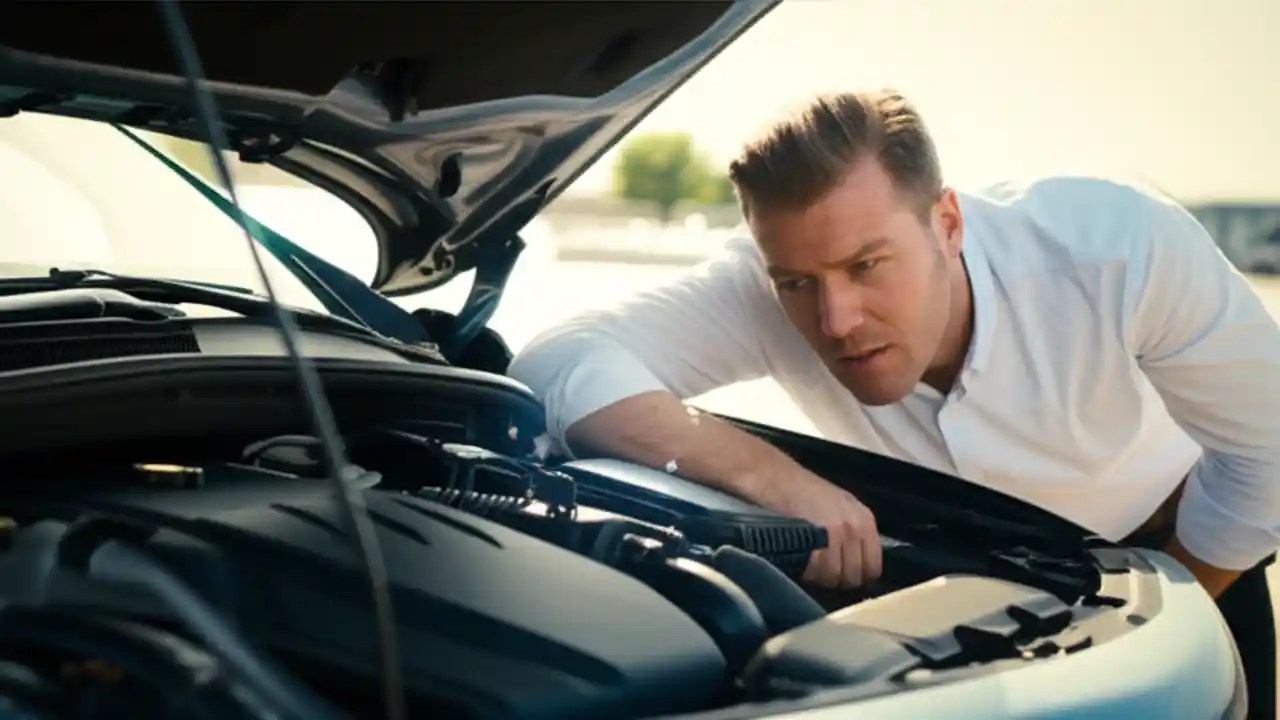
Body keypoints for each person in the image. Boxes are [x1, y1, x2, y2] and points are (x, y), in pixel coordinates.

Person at [507, 90, 1280, 713]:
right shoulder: (764, 288)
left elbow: (1270, 451)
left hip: (1185, 562)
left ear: (947, 224)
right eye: (799, 283)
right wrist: (777, 481)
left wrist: (1164, 615)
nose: (836, 319)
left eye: (868, 264)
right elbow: (556, 361)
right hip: (959, 595)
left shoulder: (1117, 249)